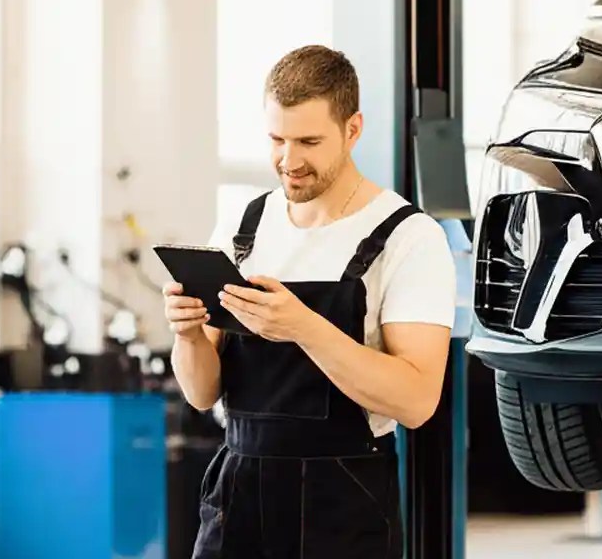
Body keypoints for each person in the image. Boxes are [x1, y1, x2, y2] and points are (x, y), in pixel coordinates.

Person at [165, 45, 457, 558]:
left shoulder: (409, 237)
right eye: (276, 139)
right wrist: (188, 335)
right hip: (236, 494)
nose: (289, 160)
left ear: (353, 129)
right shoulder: (241, 228)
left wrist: (305, 327)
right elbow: (200, 394)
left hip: (343, 501)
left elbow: (416, 402)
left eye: (308, 141)